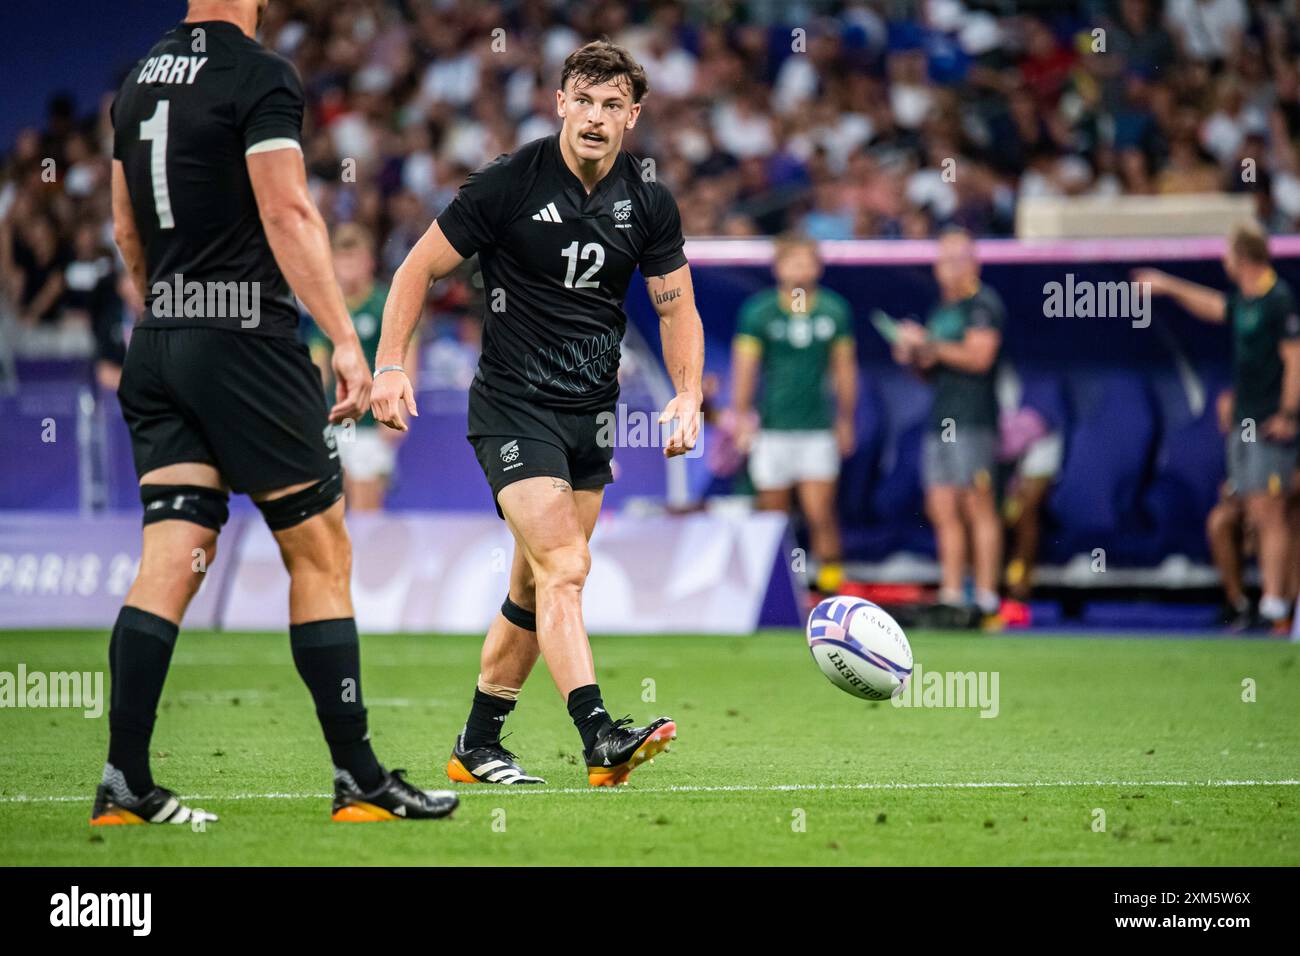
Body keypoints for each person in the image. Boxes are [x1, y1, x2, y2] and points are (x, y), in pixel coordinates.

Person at [98, 0, 456, 825]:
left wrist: (171, 308)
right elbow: (289, 211)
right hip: (245, 343)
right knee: (321, 551)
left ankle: (124, 780)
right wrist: (345, 338)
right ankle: (359, 777)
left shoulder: (138, 81)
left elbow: (124, 228)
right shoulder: (259, 73)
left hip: (158, 336)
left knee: (171, 552)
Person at [372, 40, 703, 786]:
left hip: (592, 417)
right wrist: (390, 364)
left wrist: (688, 392)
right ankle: (599, 737)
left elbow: (676, 304)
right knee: (566, 565)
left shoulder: (647, 201)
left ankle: (476, 744)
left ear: (632, 116)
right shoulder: (508, 183)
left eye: (612, 104)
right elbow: (415, 269)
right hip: (513, 408)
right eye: (582, 100)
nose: (595, 116)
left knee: (532, 589)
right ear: (559, 103)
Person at [1136, 222, 1300, 633]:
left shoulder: (1279, 300)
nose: (1222, 260)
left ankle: (1277, 603)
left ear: (1242, 257)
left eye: (1227, 253)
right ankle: (1260, 601)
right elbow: (1213, 306)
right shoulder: (1249, 300)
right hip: (1246, 421)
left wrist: (1288, 414)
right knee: (1250, 510)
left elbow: (1297, 360)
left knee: (1271, 512)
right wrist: (1170, 287)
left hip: (1269, 422)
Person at [730, 232, 857, 592]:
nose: (800, 269)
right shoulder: (759, 312)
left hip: (817, 429)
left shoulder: (834, 311)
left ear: (818, 266)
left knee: (820, 513)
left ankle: (829, 590)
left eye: (807, 261)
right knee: (772, 516)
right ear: (778, 267)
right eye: (793, 261)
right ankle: (777, 592)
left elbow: (844, 370)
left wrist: (846, 420)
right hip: (772, 429)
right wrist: (741, 417)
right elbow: (745, 369)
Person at [894, 227, 1005, 625]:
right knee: (941, 507)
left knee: (978, 505)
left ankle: (988, 597)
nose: (947, 267)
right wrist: (914, 354)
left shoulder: (982, 305)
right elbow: (932, 374)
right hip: (941, 420)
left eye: (955, 259)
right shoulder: (942, 310)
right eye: (942, 259)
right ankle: (953, 594)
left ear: (973, 263)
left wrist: (930, 344)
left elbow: (979, 359)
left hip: (973, 421)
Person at [308, 224, 416, 511]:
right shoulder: (329, 308)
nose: (348, 268)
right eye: (342, 260)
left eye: (354, 259)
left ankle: (369, 557)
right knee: (332, 508)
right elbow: (318, 360)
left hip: (372, 421)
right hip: (336, 419)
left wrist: (401, 408)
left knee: (366, 509)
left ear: (369, 261)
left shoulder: (384, 304)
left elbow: (408, 354)